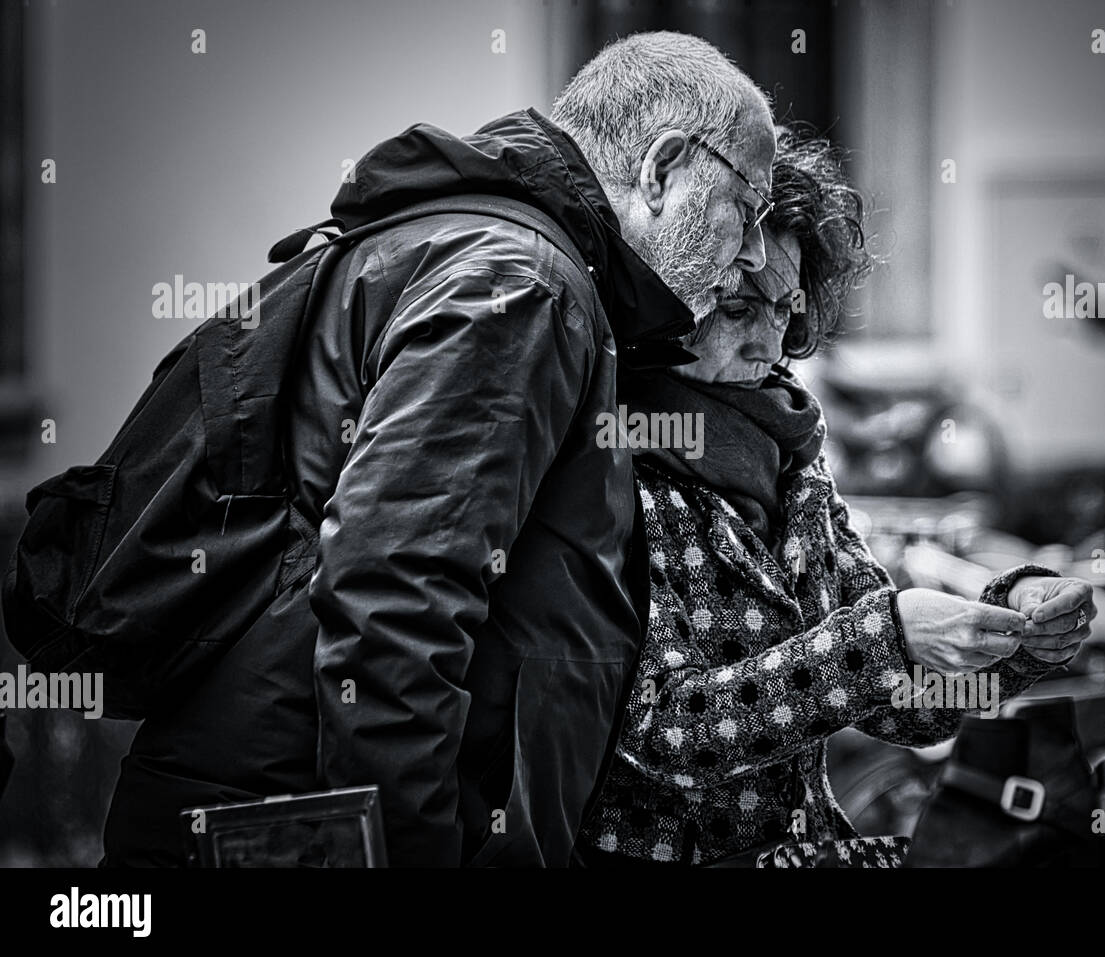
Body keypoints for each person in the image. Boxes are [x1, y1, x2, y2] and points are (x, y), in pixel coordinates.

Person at [102, 31, 775, 867]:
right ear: (663, 167)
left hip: (275, 812)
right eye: (747, 209)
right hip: (292, 832)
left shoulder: (501, 256)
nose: (750, 253)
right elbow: (396, 592)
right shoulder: (523, 285)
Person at [577, 126, 1095, 867]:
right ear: (672, 298)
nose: (768, 343)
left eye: (785, 309)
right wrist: (883, 634)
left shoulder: (789, 455)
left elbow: (900, 706)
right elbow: (661, 730)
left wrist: (1008, 636)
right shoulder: (620, 460)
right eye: (735, 309)